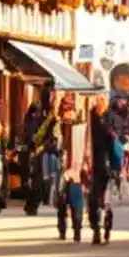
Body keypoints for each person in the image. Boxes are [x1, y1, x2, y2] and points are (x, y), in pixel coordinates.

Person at [50, 96, 86, 242]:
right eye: (65, 110)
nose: (68, 114)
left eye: (71, 110)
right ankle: (62, 229)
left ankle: (77, 230)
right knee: (61, 200)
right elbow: (46, 142)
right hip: (61, 168)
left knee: (76, 199)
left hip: (76, 168)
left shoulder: (81, 127)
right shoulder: (56, 127)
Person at [85, 92, 119, 245]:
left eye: (101, 100)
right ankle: (96, 228)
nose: (99, 103)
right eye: (97, 100)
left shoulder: (111, 117)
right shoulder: (89, 116)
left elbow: (116, 142)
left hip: (106, 164)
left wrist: (115, 166)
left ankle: (105, 225)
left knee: (104, 199)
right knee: (93, 198)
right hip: (92, 163)